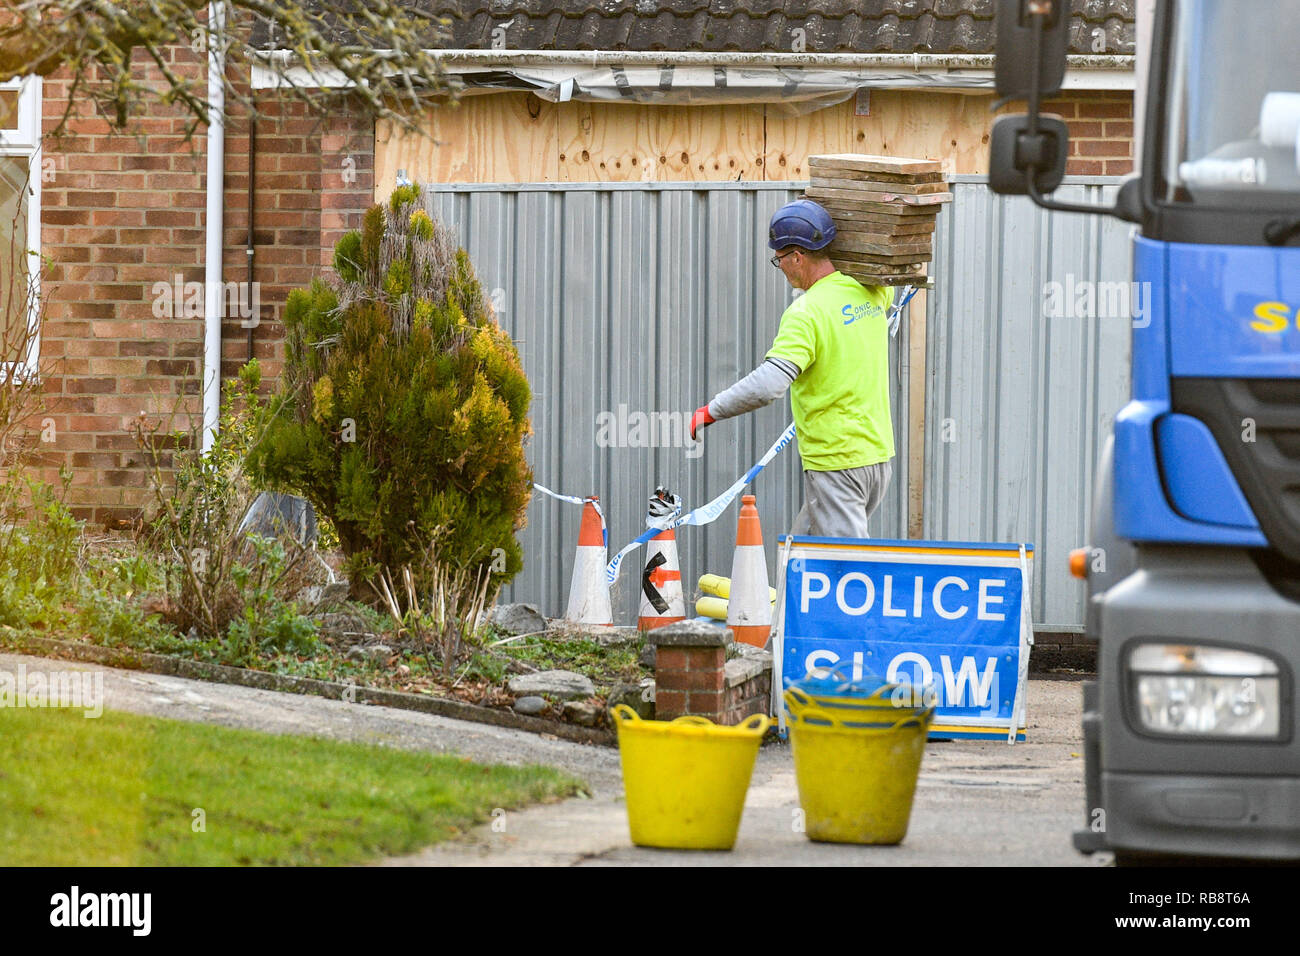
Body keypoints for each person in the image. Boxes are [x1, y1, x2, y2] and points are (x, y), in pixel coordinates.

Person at [690, 199, 895, 538]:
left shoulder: (806, 313)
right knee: (801, 552)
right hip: (876, 457)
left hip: (837, 461)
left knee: (847, 563)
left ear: (797, 256)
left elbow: (769, 384)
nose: (781, 267)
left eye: (780, 259)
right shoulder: (870, 291)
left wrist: (712, 410)